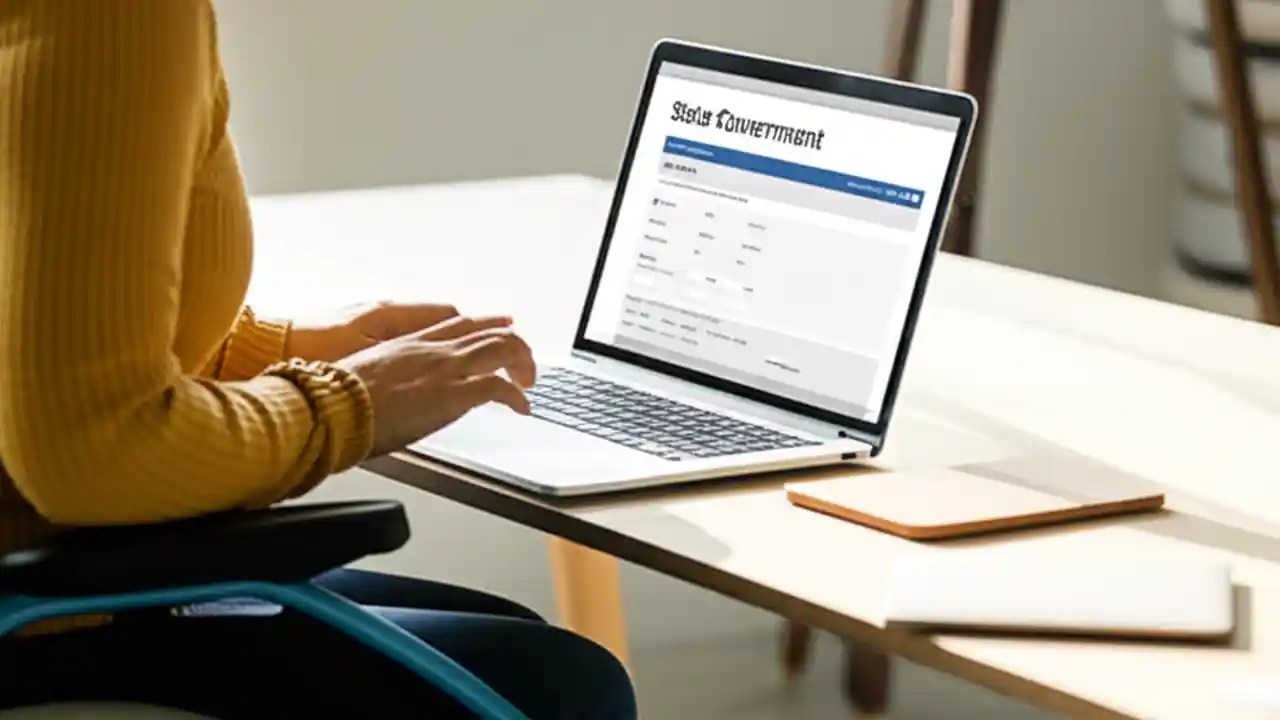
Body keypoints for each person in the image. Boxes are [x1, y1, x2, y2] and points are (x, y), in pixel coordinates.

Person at [0, 2, 636, 718]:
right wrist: (347, 402)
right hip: (44, 616)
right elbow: (88, 449)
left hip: (49, 571)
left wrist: (267, 351)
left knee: (511, 634)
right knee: (563, 686)